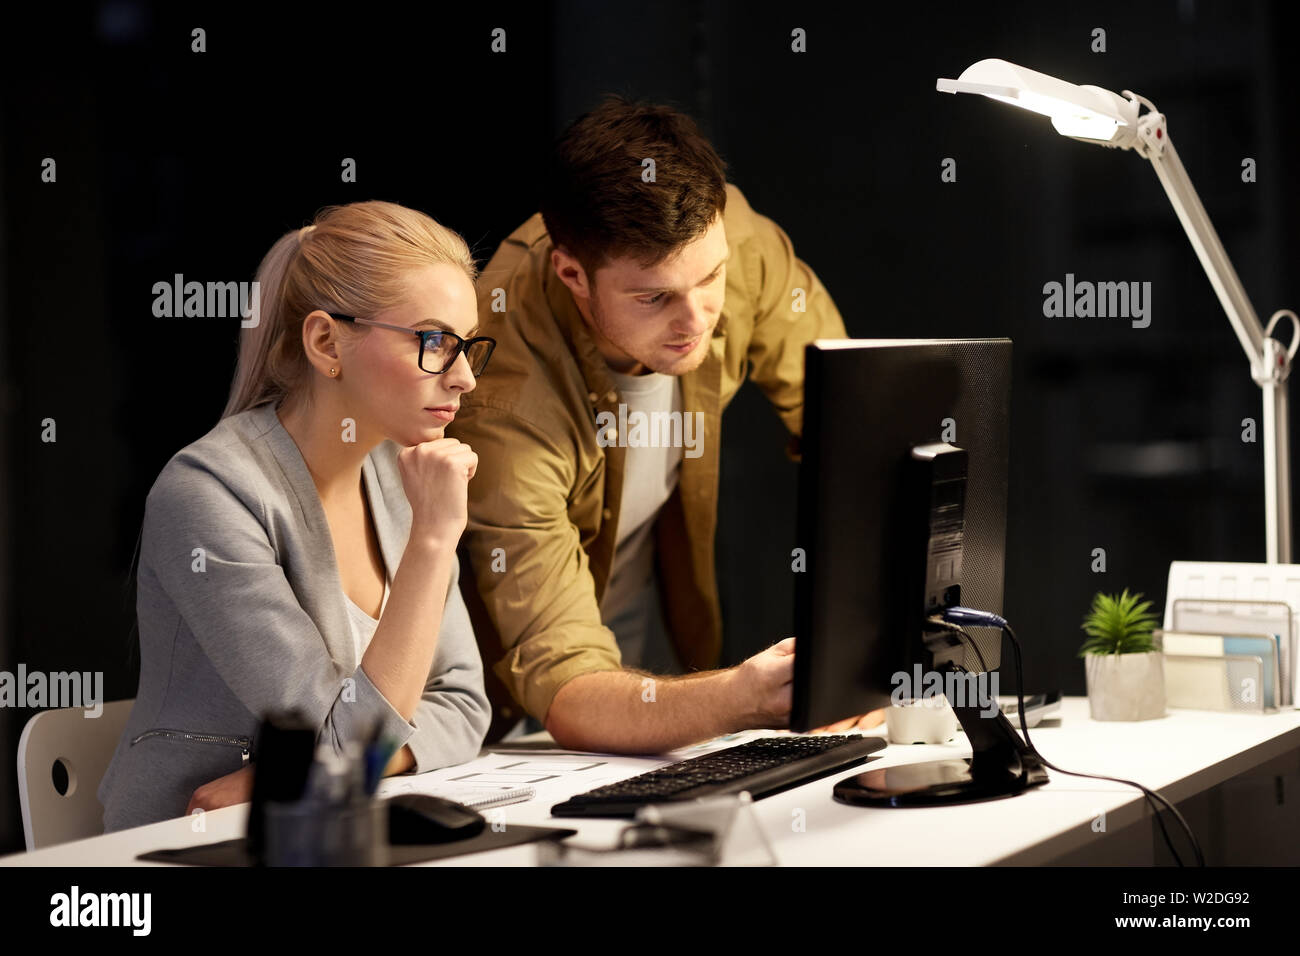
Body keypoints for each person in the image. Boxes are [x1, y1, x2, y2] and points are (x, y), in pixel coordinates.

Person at [450, 96, 884, 753]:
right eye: (653, 297)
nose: (696, 319)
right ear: (573, 274)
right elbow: (565, 681)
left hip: (645, 618)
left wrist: (876, 649)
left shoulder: (734, 238)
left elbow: (860, 435)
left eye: (710, 278)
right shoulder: (504, 402)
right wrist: (747, 698)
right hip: (499, 694)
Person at [98, 201, 494, 830]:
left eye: (468, 345)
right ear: (325, 341)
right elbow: (341, 733)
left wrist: (306, 768)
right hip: (192, 842)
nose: (465, 378)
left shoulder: (397, 473)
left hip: (330, 819)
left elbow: (464, 704)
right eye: (435, 342)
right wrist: (433, 539)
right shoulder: (207, 490)